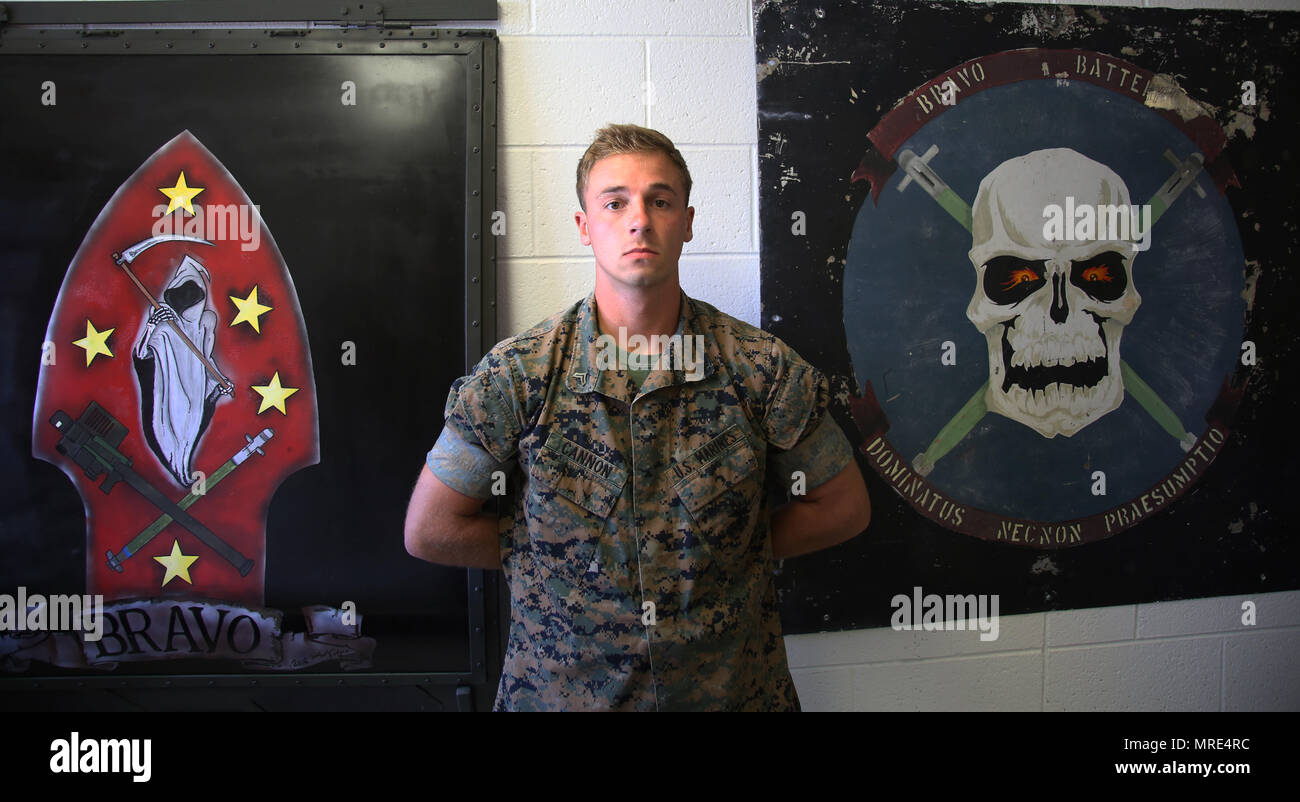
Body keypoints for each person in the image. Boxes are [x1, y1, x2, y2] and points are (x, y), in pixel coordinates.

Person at [404, 123, 871, 711]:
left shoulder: (761, 370)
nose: (639, 220)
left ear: (688, 221)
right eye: (615, 202)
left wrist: (733, 550)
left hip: (729, 695)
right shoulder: (519, 376)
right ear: (583, 226)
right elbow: (430, 529)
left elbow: (843, 508)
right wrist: (548, 554)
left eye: (660, 200)